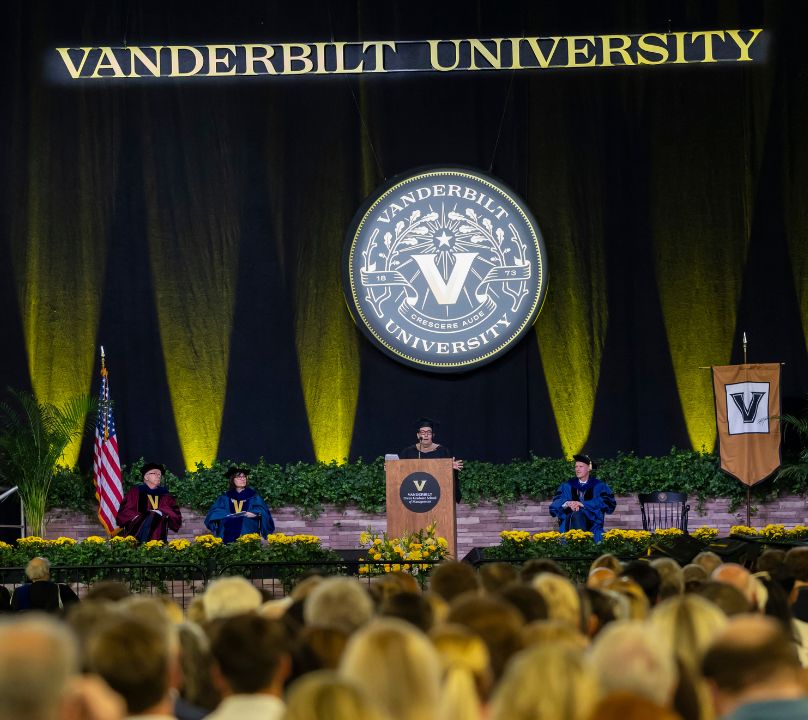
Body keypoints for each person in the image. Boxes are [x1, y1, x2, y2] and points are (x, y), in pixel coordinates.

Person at [549, 453, 615, 542]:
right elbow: (556, 502)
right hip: (569, 524)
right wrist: (568, 503)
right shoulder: (567, 486)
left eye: (581, 466)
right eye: (576, 467)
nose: (577, 469)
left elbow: (607, 503)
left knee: (579, 516)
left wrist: (583, 504)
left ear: (588, 468)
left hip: (593, 525)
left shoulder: (599, 486)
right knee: (576, 515)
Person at [398, 418, 463, 502]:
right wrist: (390, 468)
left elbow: (448, 478)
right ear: (418, 435)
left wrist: (450, 468)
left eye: (429, 432)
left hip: (437, 495)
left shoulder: (442, 451)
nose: (426, 435)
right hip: (413, 495)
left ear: (433, 435)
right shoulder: (408, 452)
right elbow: (399, 471)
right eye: (422, 432)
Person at [116, 462, 182, 543]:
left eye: (159, 474)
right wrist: (141, 516)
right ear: (146, 477)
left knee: (154, 514)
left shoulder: (164, 494)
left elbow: (174, 512)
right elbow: (125, 511)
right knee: (152, 514)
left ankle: (153, 545)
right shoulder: (135, 492)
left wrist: (160, 511)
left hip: (159, 530)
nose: (158, 476)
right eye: (155, 473)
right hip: (138, 528)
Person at [204, 466, 274, 542]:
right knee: (227, 522)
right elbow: (215, 511)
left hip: (247, 526)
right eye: (239, 477)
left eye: (244, 477)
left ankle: (247, 545)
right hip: (229, 526)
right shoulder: (225, 497)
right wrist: (227, 515)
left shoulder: (253, 496)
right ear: (232, 480)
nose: (243, 479)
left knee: (245, 521)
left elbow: (262, 510)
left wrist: (254, 513)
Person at [10, 556, 79, 613]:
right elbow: (79, 612)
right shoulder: (61, 590)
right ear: (47, 571)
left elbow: (11, 616)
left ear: (29, 572)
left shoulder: (18, 592)